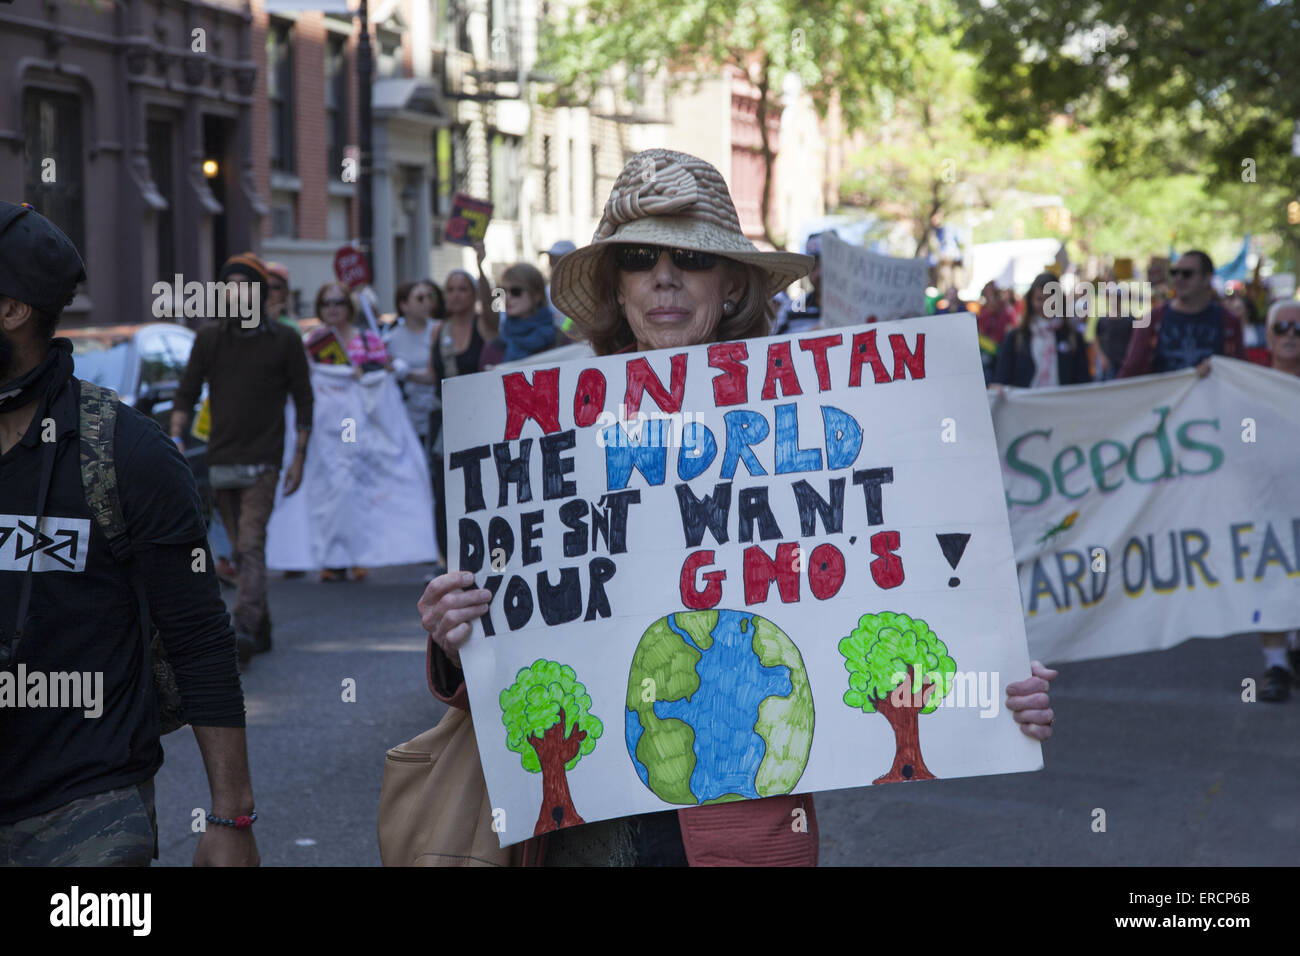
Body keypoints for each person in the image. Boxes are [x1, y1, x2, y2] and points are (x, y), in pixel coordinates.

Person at [416, 149, 1058, 867]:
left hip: (742, 834)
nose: (664, 276)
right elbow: (519, 652)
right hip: (587, 839)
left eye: (690, 257)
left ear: (729, 286)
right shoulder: (543, 425)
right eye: (637, 257)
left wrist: (994, 685)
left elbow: (881, 594)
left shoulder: (815, 411)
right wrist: (452, 634)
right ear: (616, 287)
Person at [0, 201, 258, 866]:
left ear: (12, 311)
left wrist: (231, 818)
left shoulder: (125, 452)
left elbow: (200, 637)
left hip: (83, 812)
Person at [173, 253, 313, 660]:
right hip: (220, 460)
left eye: (243, 285)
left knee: (251, 544)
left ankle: (245, 628)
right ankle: (262, 626)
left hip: (265, 461)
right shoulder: (209, 338)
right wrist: (176, 438)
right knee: (240, 549)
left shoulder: (284, 341)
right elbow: (187, 389)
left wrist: (299, 457)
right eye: (228, 285)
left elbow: (304, 400)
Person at [304, 283, 390, 582]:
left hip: (354, 425)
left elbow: (381, 376)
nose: (333, 307)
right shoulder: (313, 342)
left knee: (352, 483)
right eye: (326, 302)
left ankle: (358, 554)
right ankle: (331, 557)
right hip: (323, 425)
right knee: (328, 488)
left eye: (339, 301)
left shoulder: (368, 340)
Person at [427, 244, 502, 567]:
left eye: (462, 289)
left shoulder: (483, 326)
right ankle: (447, 560)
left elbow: (491, 307)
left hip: (482, 422)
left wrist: (481, 264)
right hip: (447, 424)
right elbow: (432, 376)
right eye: (450, 289)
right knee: (444, 494)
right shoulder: (437, 331)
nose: (456, 295)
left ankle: (485, 555)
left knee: (482, 490)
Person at [1257, 299, 1300, 701]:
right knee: (1271, 575)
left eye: (1298, 330)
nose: (1290, 336)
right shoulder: (1247, 385)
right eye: (1282, 328)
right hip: (1268, 500)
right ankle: (1275, 665)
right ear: (1268, 336)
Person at [1118, 250, 1246, 378]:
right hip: (1166, 397)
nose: (1179, 278)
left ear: (1207, 278)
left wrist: (1215, 369)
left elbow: (1239, 372)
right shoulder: (1152, 321)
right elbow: (1130, 372)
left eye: (1187, 274)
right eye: (1174, 272)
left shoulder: (1228, 321)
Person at [991, 272, 1092, 388]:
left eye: (1050, 299)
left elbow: (1083, 382)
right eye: (1039, 299)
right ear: (1031, 301)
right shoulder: (1016, 338)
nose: (1045, 305)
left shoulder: (1073, 338)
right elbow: (1001, 378)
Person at [383, 280, 441, 449]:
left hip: (436, 415)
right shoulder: (390, 340)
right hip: (406, 420)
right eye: (420, 298)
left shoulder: (438, 330)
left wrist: (406, 372)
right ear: (404, 305)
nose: (427, 303)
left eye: (429, 297)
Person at [498, 262, 555, 361]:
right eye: (503, 291)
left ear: (537, 295)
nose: (507, 297)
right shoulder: (494, 348)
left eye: (516, 291)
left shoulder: (561, 340)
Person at [771, 233, 824, 335]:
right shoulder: (790, 309)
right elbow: (772, 345)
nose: (819, 274)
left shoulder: (858, 310)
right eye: (814, 267)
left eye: (824, 265)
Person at [264, 261, 301, 337]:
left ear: (285, 292)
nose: (269, 292)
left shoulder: (291, 328)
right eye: (265, 286)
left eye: (276, 287)